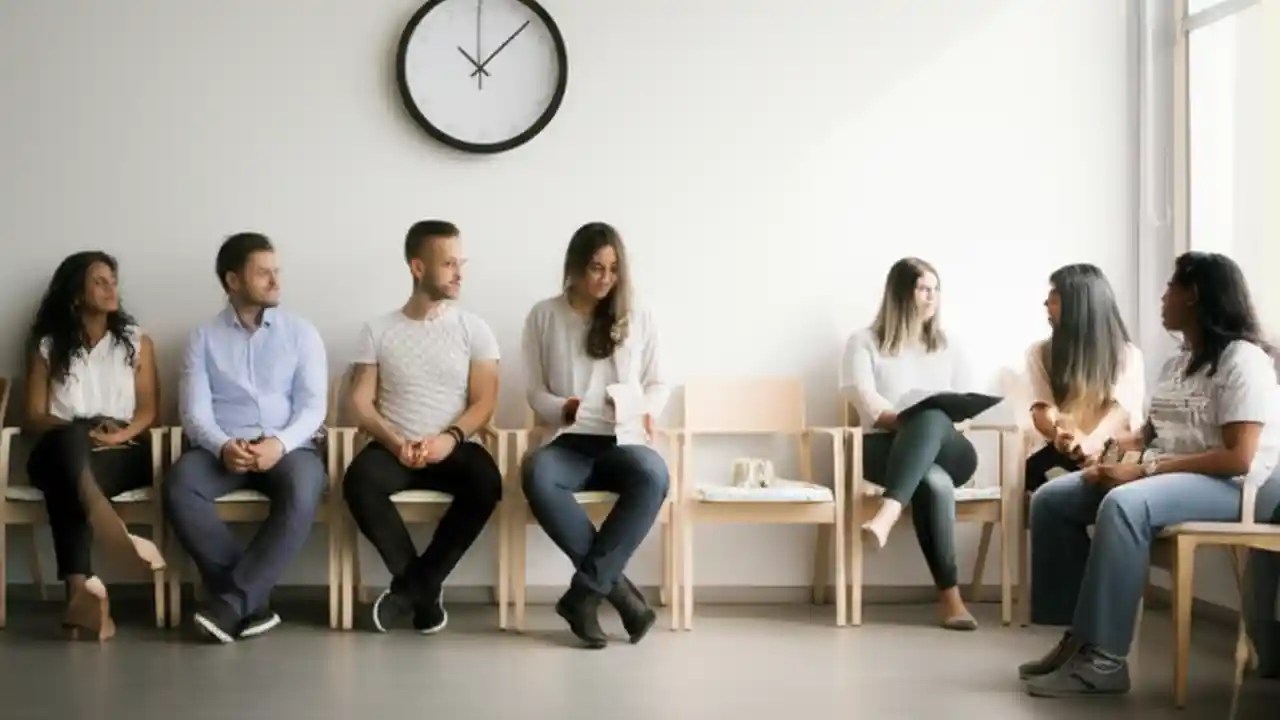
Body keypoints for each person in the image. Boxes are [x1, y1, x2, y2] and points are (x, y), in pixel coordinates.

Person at [1021, 251, 1280, 698]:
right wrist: (1119, 453)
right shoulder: (1178, 363)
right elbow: (1153, 433)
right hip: (1176, 475)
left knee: (1124, 504)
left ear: (1194, 295)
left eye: (1170, 288)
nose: (1163, 297)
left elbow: (1238, 458)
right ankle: (1080, 637)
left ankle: (1104, 660)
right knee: (1053, 499)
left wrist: (1144, 471)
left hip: (1236, 486)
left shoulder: (1243, 361)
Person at [162, 233, 328, 644]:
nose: (275, 281)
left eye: (277, 272)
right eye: (263, 273)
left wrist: (279, 444)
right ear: (234, 281)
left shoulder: (302, 333)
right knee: (181, 485)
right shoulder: (203, 338)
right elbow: (194, 412)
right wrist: (222, 445)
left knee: (304, 488)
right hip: (223, 447)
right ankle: (254, 602)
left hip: (289, 448)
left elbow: (313, 408)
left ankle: (230, 603)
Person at [342, 220, 502, 634]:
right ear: (417, 267)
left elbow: (485, 401)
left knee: (486, 481)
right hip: (395, 445)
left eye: (460, 263)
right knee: (359, 480)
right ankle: (425, 592)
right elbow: (360, 400)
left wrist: (449, 439)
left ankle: (415, 588)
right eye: (448, 264)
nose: (459, 273)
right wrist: (395, 442)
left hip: (452, 444)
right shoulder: (378, 329)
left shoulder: (474, 328)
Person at [521, 222, 670, 649]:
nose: (605, 279)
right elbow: (534, 390)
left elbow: (659, 383)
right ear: (574, 268)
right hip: (567, 442)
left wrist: (644, 411)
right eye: (595, 268)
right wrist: (563, 408)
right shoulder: (544, 315)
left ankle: (583, 594)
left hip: (621, 442)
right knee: (537, 475)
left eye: (613, 269)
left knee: (654, 475)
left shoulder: (639, 316)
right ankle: (621, 597)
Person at [23, 251, 164, 640]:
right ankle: (108, 528)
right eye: (99, 281)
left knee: (67, 480)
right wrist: (78, 432)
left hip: (123, 447)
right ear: (75, 294)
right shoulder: (48, 346)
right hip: (62, 441)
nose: (110, 288)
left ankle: (79, 594)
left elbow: (151, 409)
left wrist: (119, 434)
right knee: (69, 451)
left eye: (113, 281)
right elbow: (33, 415)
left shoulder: (136, 342)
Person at [839, 257, 981, 630]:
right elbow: (868, 403)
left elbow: (966, 408)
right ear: (901, 293)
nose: (931, 296)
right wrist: (909, 422)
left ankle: (887, 513)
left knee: (933, 415)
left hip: (953, 450)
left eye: (935, 289)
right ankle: (951, 599)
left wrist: (930, 420)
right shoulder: (864, 342)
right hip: (883, 447)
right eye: (922, 288)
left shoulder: (950, 346)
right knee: (933, 481)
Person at [1024, 264, 1145, 492]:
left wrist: (1089, 445)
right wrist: (1061, 436)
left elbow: (1121, 414)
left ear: (1078, 306)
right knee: (1031, 473)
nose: (1046, 305)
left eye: (1054, 298)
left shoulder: (1127, 356)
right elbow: (1041, 408)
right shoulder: (1040, 353)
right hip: (1064, 448)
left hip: (1112, 448)